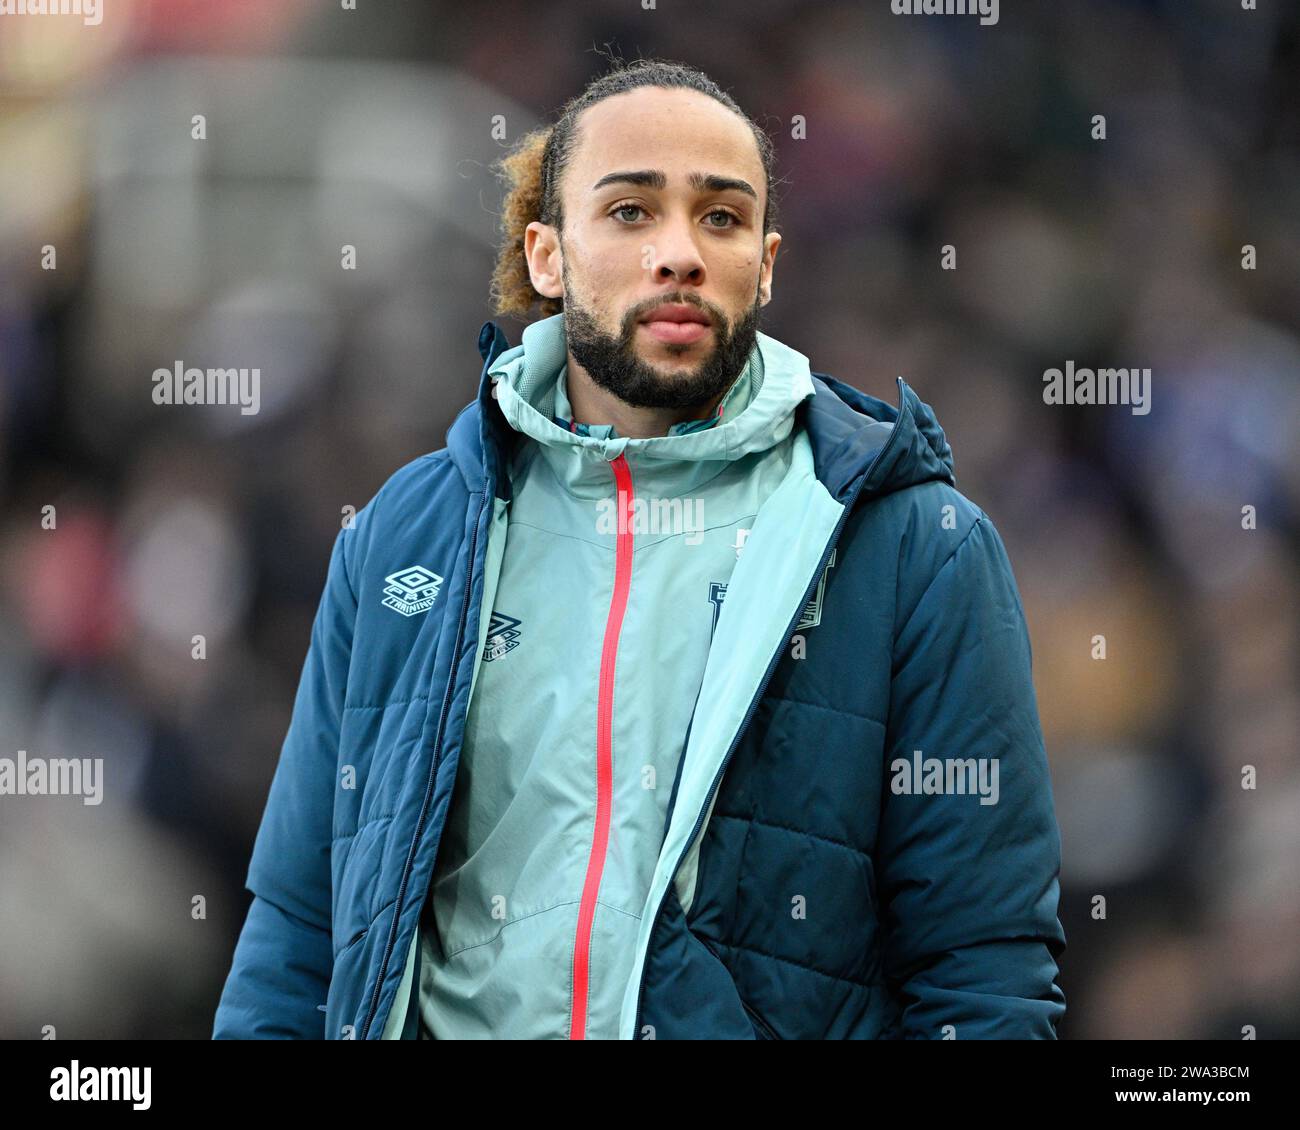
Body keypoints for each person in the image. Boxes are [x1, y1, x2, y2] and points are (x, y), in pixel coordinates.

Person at [213, 56, 1066, 1040]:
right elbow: (297, 931)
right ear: (546, 255)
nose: (679, 254)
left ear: (768, 262)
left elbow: (981, 967)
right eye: (629, 212)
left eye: (721, 217)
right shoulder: (407, 531)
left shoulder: (916, 548)